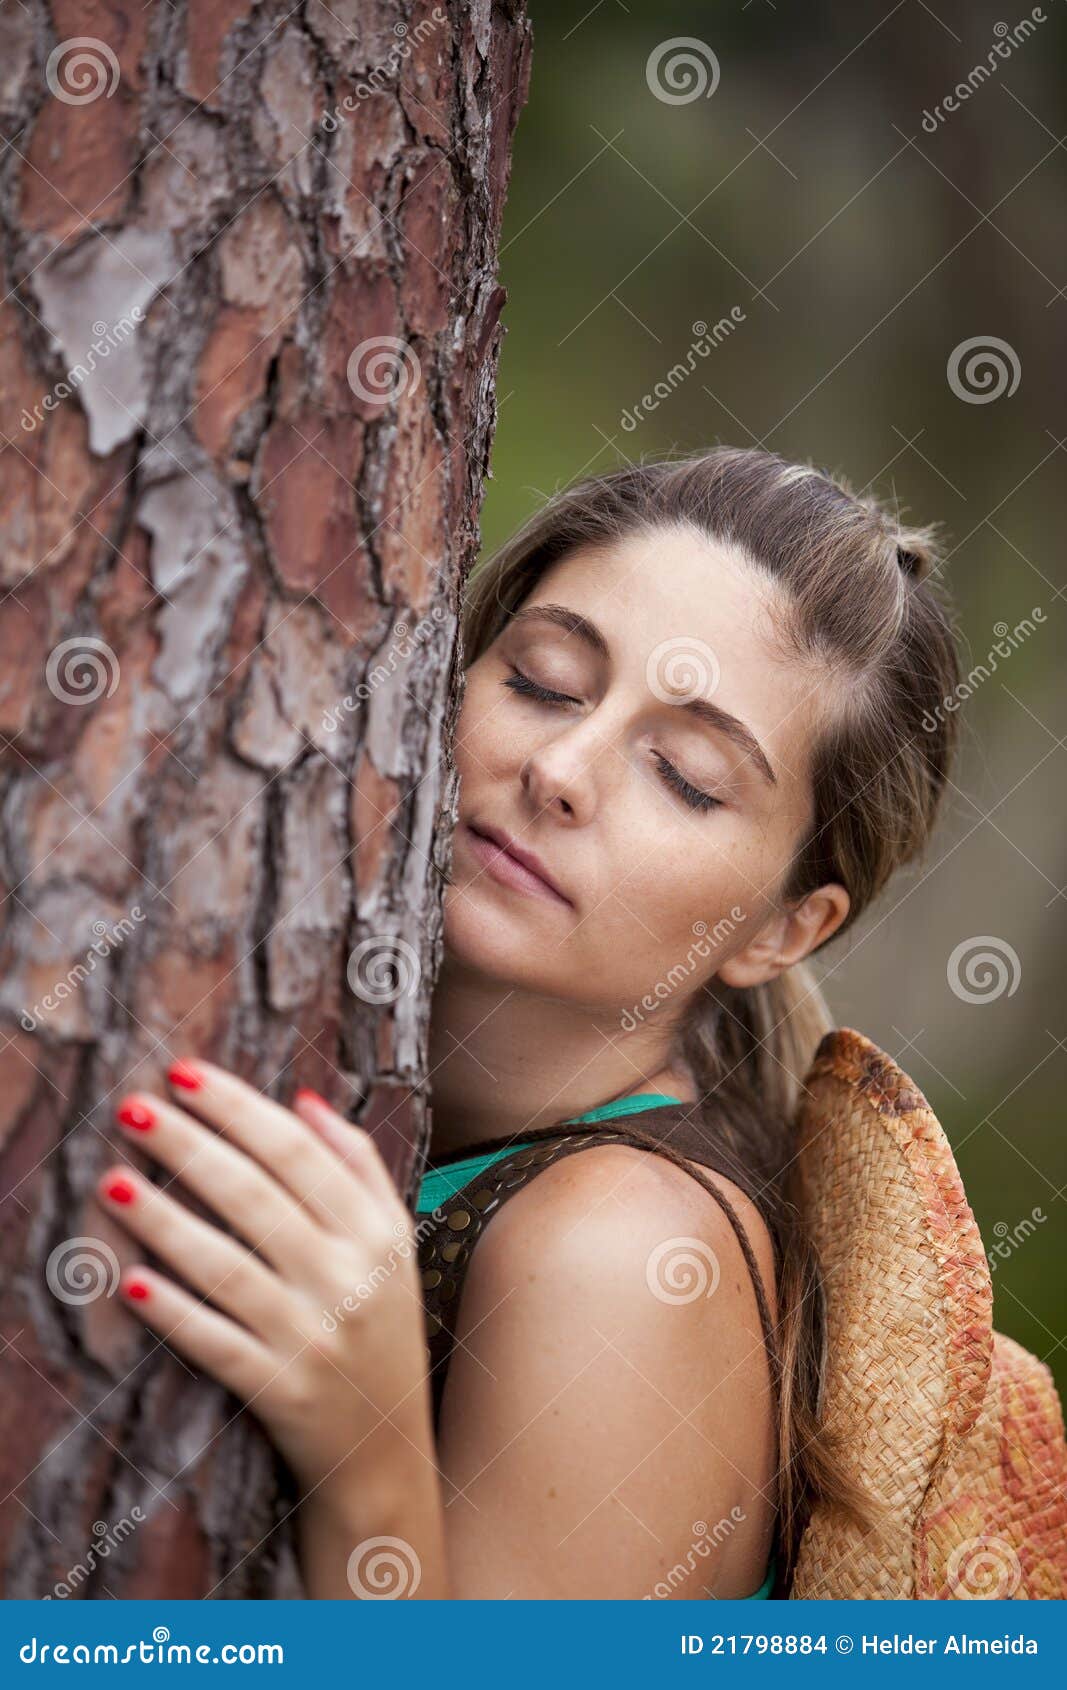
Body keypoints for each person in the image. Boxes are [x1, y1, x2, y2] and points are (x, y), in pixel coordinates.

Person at [97, 446, 962, 1600]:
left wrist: (368, 1451)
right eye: (545, 680)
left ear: (783, 930)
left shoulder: (621, 1252)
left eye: (688, 778)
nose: (560, 766)